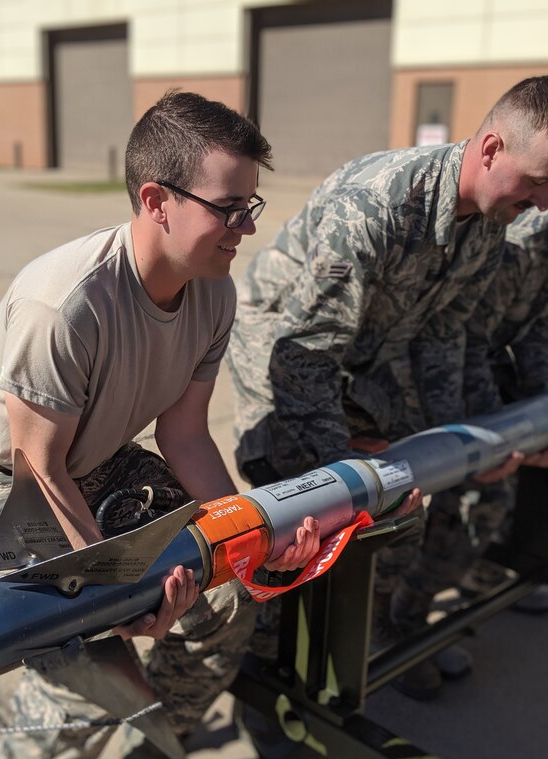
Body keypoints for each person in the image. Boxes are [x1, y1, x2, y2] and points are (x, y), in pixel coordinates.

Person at [0, 90, 320, 759]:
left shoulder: (212, 289)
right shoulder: (66, 301)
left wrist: (247, 530)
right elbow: (37, 468)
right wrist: (114, 598)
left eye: (250, 205)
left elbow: (185, 435)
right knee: (79, 652)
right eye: (228, 207)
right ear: (157, 200)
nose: (245, 226)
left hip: (87, 465)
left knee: (226, 590)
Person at [227, 76, 548, 700]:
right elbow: (304, 355)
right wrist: (342, 462)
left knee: (400, 507)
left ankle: (364, 642)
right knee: (302, 524)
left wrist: (471, 443)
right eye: (536, 181)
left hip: (365, 356)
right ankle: (268, 692)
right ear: (490, 149)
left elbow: (444, 340)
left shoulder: (485, 224)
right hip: (283, 354)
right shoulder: (374, 207)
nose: (542, 203)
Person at [394, 207, 548, 641]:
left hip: (477, 371)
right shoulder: (523, 247)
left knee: (500, 492)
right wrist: (491, 432)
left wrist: (539, 400)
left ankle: (475, 572)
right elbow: (465, 340)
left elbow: (536, 328)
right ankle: (405, 615)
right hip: (433, 373)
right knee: (475, 494)